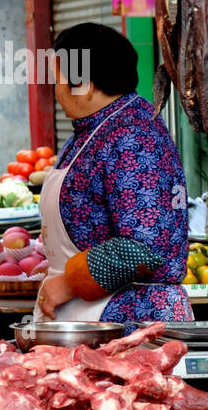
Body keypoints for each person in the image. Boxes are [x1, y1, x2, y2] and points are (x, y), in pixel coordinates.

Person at [34, 22, 192, 329]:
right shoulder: (95, 128)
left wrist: (68, 283)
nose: (55, 91)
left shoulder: (133, 136)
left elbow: (147, 244)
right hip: (89, 319)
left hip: (131, 324)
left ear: (86, 84)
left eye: (58, 80)